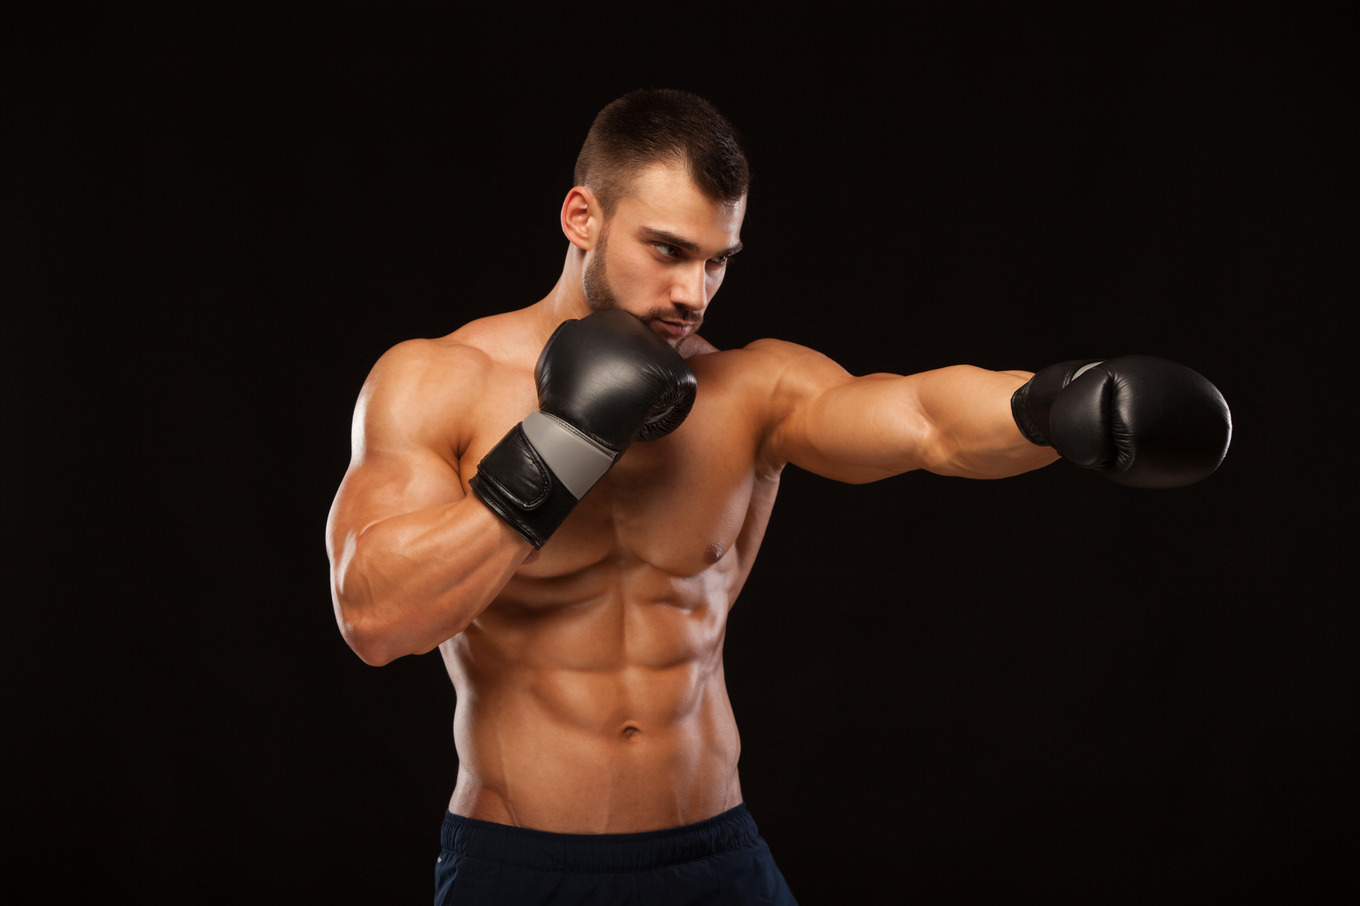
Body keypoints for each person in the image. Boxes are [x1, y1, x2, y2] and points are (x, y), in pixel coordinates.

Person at [325, 89, 1231, 905]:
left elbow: (922, 419)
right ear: (581, 217)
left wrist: (1055, 403)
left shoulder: (747, 391)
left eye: (719, 262)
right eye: (669, 251)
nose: (692, 295)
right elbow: (376, 617)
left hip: (714, 859)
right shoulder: (439, 381)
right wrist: (562, 443)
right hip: (521, 869)